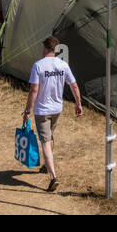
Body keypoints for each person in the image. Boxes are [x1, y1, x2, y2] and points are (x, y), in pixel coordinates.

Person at [23, 36, 81, 193]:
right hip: (57, 109)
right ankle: (46, 164)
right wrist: (78, 103)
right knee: (50, 136)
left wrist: (27, 110)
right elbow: (74, 85)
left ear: (45, 48)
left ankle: (53, 177)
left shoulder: (38, 66)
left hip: (42, 111)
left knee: (45, 142)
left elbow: (34, 90)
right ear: (55, 49)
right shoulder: (62, 65)